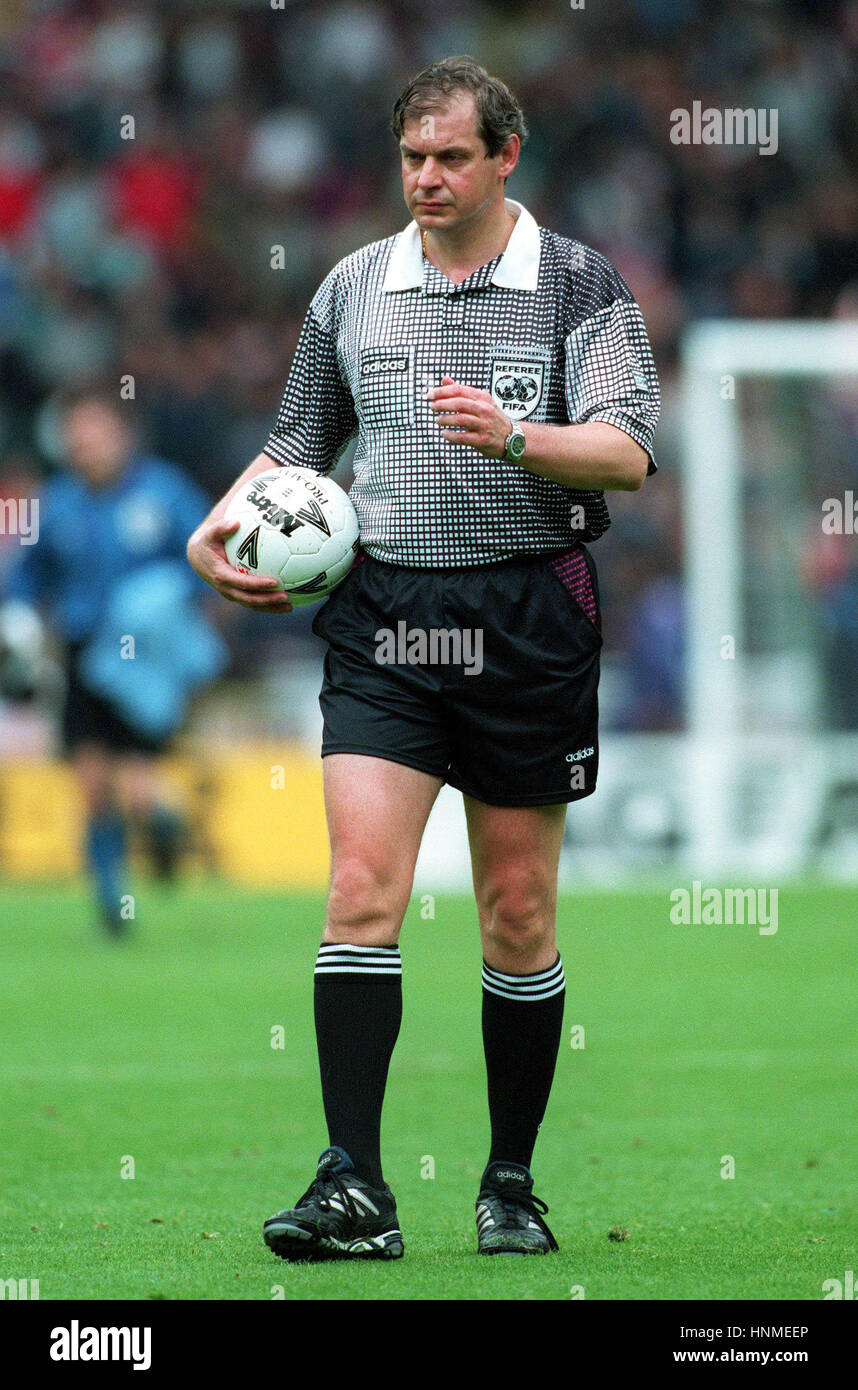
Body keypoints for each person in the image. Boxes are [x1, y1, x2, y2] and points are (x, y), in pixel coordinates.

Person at [187, 56, 660, 1259]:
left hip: (529, 615)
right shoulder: (352, 286)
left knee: (514, 910)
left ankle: (509, 1181)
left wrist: (512, 434)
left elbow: (626, 454)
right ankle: (356, 1187)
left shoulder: (579, 284)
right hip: (385, 615)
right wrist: (221, 517)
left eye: (452, 156)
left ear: (507, 156)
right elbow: (302, 436)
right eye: (411, 158)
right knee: (360, 892)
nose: (428, 179)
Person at [3, 389, 222, 933]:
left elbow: (208, 552)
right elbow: (27, 577)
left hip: (145, 659)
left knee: (140, 788)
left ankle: (163, 827)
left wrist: (181, 609)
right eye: (75, 432)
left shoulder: (165, 491)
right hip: (81, 653)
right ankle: (111, 900)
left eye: (94, 429)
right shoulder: (56, 503)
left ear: (122, 433)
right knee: (94, 784)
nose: (83, 442)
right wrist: (19, 617)